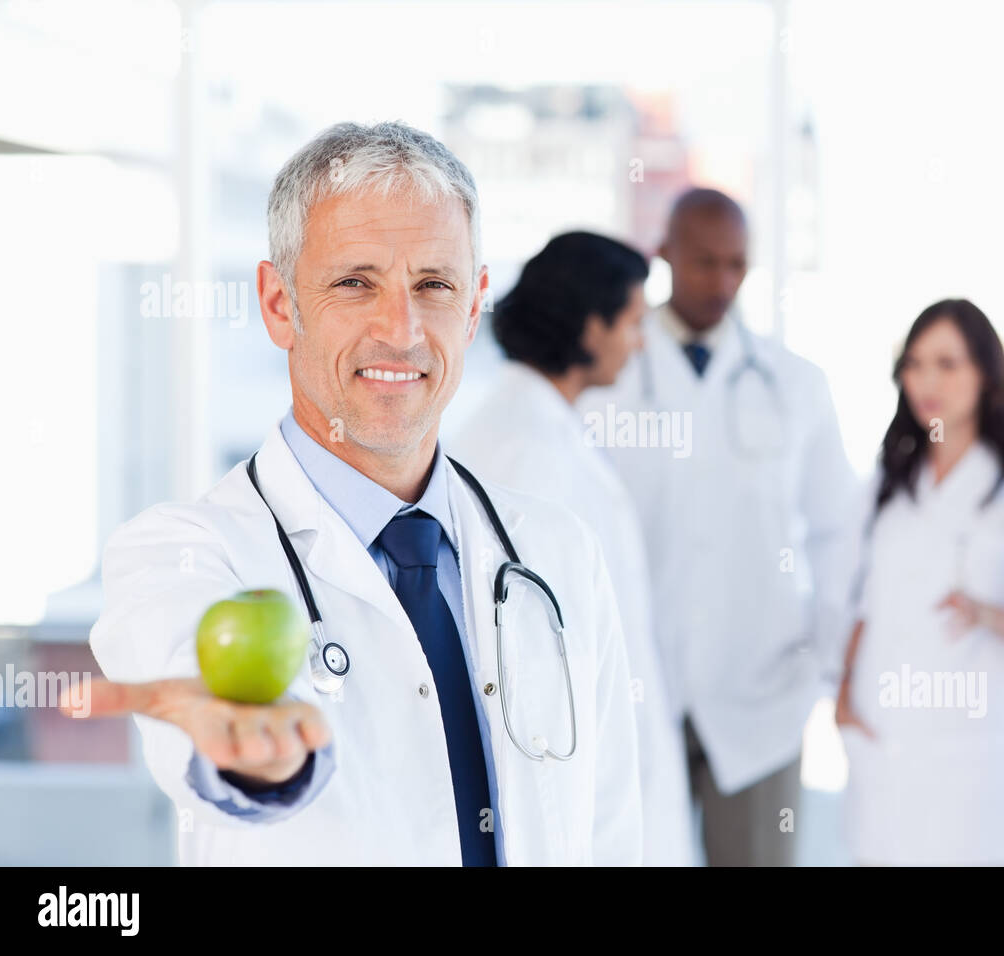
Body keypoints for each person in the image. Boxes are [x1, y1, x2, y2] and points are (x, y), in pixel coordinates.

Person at [68, 122, 643, 866]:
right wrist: (255, 756)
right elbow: (191, 682)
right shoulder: (183, 553)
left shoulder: (559, 551)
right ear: (279, 304)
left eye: (434, 285)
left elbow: (611, 831)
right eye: (354, 283)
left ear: (473, 309)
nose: (400, 330)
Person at [580, 188, 861, 866]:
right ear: (664, 256)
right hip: (638, 690)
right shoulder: (607, 381)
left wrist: (826, 661)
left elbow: (838, 532)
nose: (723, 282)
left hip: (761, 694)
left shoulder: (795, 384)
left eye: (738, 264)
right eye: (704, 262)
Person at [449, 231, 697, 865]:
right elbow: (532, 677)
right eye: (633, 322)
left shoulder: (543, 428)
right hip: (572, 802)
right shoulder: (528, 452)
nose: (641, 342)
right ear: (591, 328)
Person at [834, 299, 1004, 865]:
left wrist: (983, 613)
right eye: (914, 364)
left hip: (972, 758)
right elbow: (864, 601)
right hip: (880, 741)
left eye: (947, 363)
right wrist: (842, 702)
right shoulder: (887, 481)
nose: (927, 381)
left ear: (986, 373)